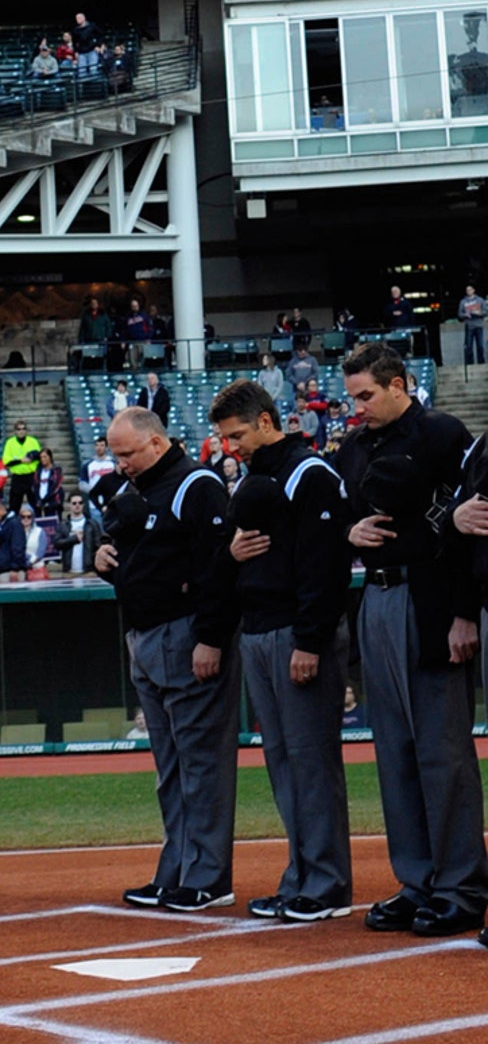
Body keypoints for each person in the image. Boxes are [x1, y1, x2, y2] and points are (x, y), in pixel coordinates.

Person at [336, 341, 488, 937]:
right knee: (394, 750)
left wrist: (463, 615)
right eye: (353, 397)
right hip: (375, 597)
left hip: (430, 602)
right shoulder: (354, 446)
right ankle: (417, 879)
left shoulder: (444, 434)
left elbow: (470, 527)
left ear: (398, 383)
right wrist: (350, 531)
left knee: (441, 752)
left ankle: (461, 885)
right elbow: (342, 520)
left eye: (367, 395)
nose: (359, 407)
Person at [208, 378, 352, 923]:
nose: (231, 446)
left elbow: (325, 564)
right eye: (225, 437)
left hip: (296, 631)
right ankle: (301, 878)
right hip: (260, 628)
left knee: (310, 763)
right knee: (284, 764)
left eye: (238, 434)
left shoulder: (308, 472)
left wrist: (310, 639)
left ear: (267, 421)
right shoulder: (259, 475)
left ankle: (327, 885)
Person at [94, 407, 241, 912]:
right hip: (144, 635)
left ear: (156, 443)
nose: (121, 463)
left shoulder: (194, 484)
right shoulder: (138, 491)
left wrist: (211, 637)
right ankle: (176, 869)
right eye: (116, 455)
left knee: (201, 763)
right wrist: (105, 562)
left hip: (186, 635)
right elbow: (143, 561)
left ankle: (209, 877)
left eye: (127, 453)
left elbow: (218, 568)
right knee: (171, 767)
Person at [54, 492, 101, 574]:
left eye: (80, 503)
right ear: (69, 505)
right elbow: (57, 544)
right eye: (74, 503)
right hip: (69, 571)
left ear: (83, 505)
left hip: (89, 571)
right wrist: (74, 539)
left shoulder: (92, 524)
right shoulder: (63, 525)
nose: (77, 505)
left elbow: (99, 545)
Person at [2, 420, 41, 514]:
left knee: (36, 504)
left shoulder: (33, 441)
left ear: (26, 430)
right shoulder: (10, 443)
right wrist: (21, 460)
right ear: (15, 431)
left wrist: (32, 457)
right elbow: (6, 461)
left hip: (31, 476)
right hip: (17, 478)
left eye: (23, 429)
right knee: (14, 506)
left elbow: (39, 457)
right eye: (18, 429)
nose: (21, 431)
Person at [78, 435, 116, 523]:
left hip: (112, 503)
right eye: (97, 445)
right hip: (94, 505)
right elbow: (82, 483)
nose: (99, 448)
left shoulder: (113, 464)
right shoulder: (88, 465)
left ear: (106, 447)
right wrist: (94, 491)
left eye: (102, 445)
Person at [31, 447, 64, 518]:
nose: (43, 459)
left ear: (50, 457)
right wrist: (38, 499)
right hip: (40, 502)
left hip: (53, 502)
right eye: (41, 457)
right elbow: (35, 485)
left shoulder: (56, 470)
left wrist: (46, 499)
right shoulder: (38, 470)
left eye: (45, 457)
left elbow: (56, 487)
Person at [458, 284, 487, 365]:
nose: (469, 291)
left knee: (480, 345)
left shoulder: (480, 300)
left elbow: (485, 312)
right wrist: (465, 315)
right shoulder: (463, 301)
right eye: (467, 290)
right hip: (469, 325)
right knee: (469, 346)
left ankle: (481, 362)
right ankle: (470, 363)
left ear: (474, 290)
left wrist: (479, 313)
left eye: (470, 289)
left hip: (478, 325)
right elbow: (460, 314)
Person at [18, 503, 49, 570]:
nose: (26, 519)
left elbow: (41, 551)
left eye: (29, 516)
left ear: (32, 517)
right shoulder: (15, 532)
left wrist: (30, 562)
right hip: (19, 567)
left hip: (37, 567)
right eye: (23, 516)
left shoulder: (40, 531)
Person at [123, 299, 151, 371]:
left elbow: (150, 328)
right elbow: (125, 330)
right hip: (132, 341)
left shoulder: (144, 316)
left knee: (142, 359)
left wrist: (148, 338)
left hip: (142, 340)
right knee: (132, 360)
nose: (134, 307)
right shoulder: (128, 317)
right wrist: (123, 341)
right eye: (133, 306)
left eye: (136, 306)